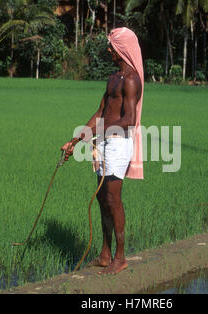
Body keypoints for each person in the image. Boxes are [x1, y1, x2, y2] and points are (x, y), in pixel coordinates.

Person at [61, 27, 144, 275]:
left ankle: (121, 257)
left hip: (118, 142)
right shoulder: (113, 78)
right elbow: (99, 113)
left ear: (121, 49)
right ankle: (105, 254)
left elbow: (129, 119)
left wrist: (101, 130)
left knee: (112, 198)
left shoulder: (131, 80)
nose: (108, 49)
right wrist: (75, 141)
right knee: (101, 197)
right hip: (103, 141)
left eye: (111, 45)